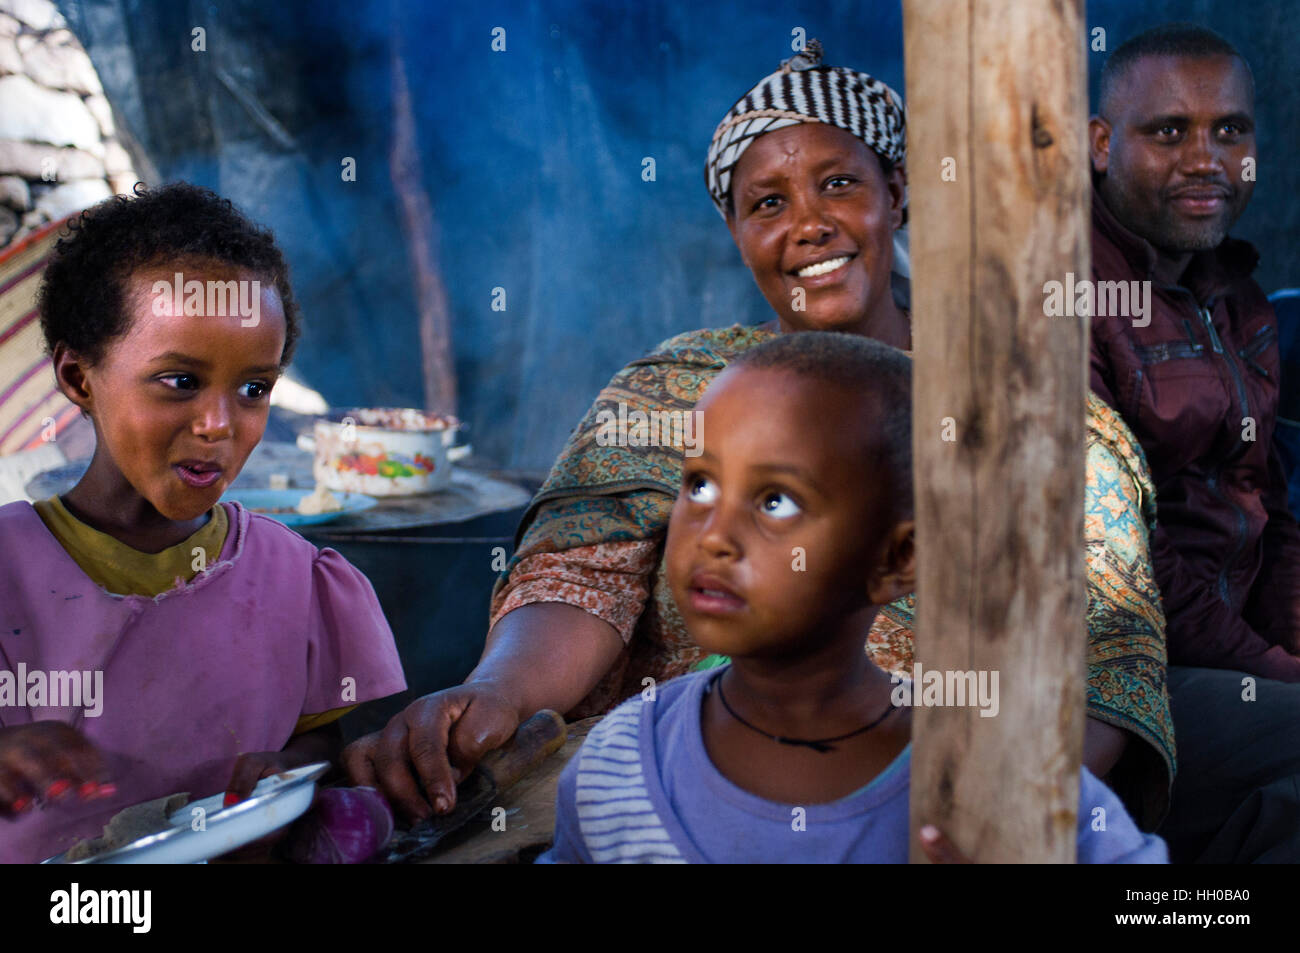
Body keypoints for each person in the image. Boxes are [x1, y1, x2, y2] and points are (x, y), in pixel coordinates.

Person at [346, 41, 1175, 833]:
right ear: (737, 233)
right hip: (673, 800)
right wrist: (499, 691)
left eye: (839, 184)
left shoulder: (1041, 421)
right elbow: (579, 567)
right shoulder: (673, 389)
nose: (807, 225)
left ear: (898, 192)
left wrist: (981, 819)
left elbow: (1107, 665)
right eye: (768, 203)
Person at [540, 333, 1166, 863]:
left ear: (898, 561)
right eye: (700, 484)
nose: (715, 536)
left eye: (775, 502)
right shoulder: (619, 766)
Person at [0, 183, 406, 864]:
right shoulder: (8, 572)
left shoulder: (296, 579)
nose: (219, 423)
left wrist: (288, 769)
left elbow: (317, 744)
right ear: (78, 377)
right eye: (180, 381)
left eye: (254, 388)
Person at [1088, 23, 1300, 861]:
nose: (1206, 158)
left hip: (1234, 653)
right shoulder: (1066, 293)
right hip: (1124, 674)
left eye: (1231, 131)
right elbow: (1128, 559)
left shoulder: (1239, 296)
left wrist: (1288, 647)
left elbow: (1271, 508)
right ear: (1102, 144)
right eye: (1168, 131)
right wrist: (1277, 672)